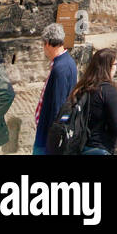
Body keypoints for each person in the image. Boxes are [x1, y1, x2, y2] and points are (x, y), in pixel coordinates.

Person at [66, 48, 117, 156]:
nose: (116, 68)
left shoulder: (81, 89)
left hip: (79, 148)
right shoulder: (109, 91)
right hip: (100, 148)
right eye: (115, 64)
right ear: (108, 67)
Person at [33, 23, 77, 156]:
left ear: (47, 43)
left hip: (49, 136)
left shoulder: (61, 68)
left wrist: (52, 140)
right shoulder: (65, 62)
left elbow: (58, 106)